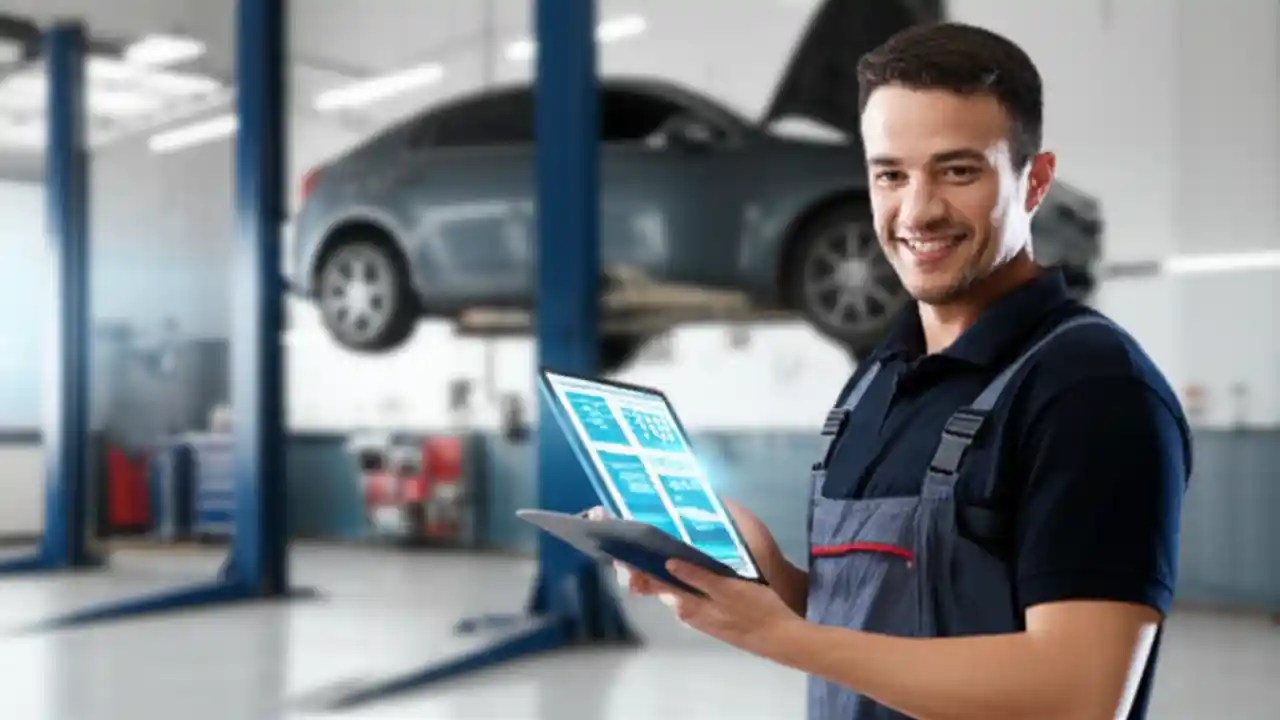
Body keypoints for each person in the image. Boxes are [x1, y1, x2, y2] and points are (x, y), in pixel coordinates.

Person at [602, 21, 1191, 720]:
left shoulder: (1092, 389)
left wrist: (783, 637)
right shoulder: (878, 377)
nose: (918, 210)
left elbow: (1079, 693)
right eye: (891, 174)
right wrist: (768, 578)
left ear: (1035, 182)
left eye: (958, 170)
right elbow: (876, 623)